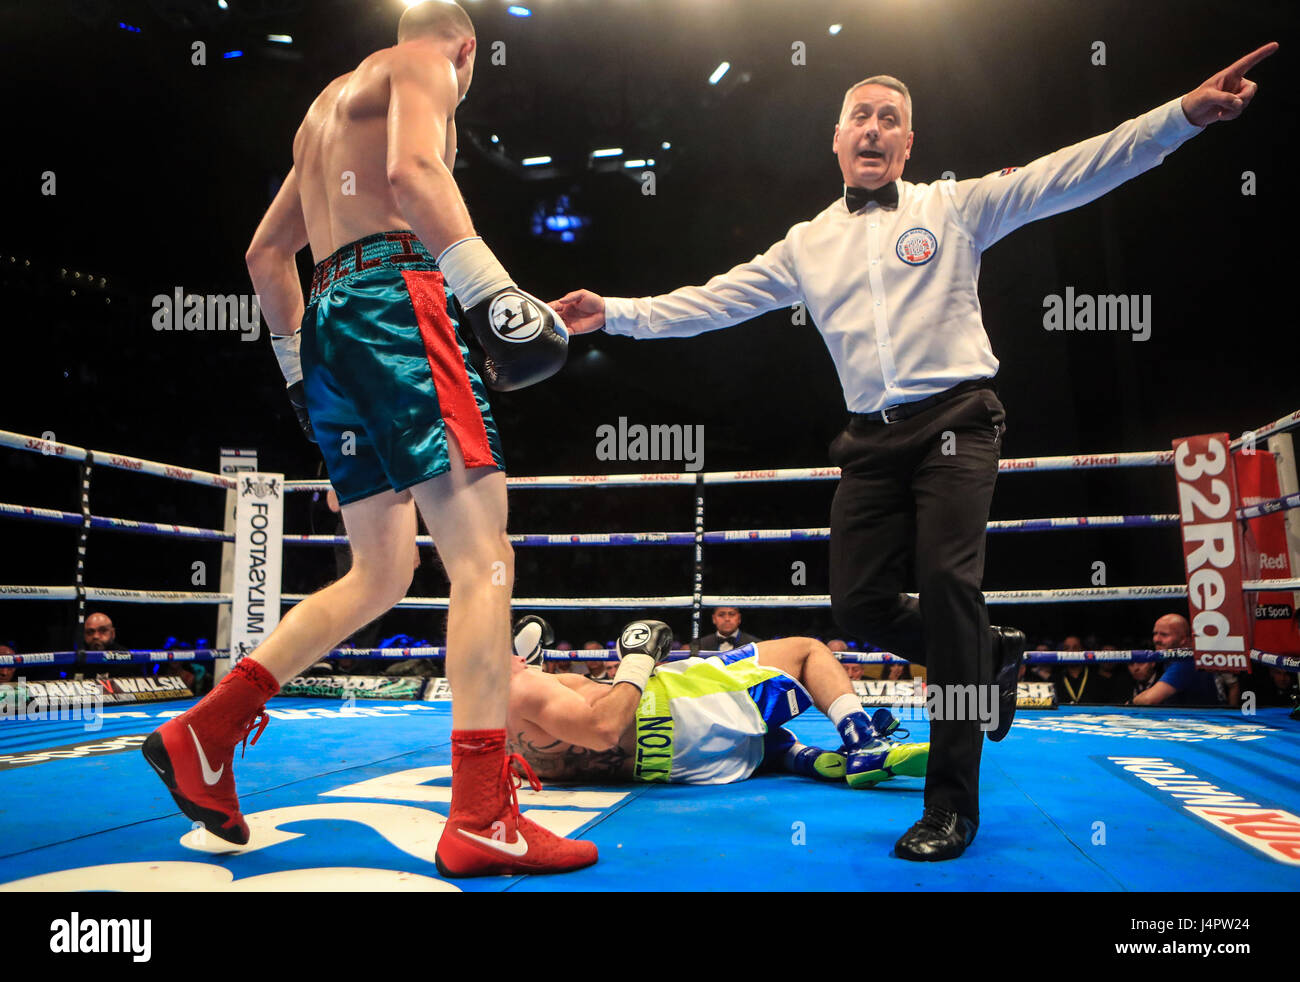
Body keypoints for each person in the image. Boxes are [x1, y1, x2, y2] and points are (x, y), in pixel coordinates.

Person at [552, 43, 1276, 859]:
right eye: (859, 116)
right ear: (835, 139)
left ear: (906, 144)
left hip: (959, 420)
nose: (872, 129)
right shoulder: (806, 243)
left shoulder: (953, 207)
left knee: (947, 586)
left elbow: (1072, 171)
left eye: (888, 119)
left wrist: (1180, 117)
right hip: (868, 440)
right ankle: (988, 653)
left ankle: (951, 808)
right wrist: (612, 312)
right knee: (857, 607)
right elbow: (711, 302)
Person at [142, 0, 589, 879]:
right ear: (469, 49)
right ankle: (483, 817)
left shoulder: (324, 110)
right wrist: (493, 296)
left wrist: (304, 376)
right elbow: (418, 171)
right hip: (396, 300)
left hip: (329, 326)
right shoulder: (426, 62)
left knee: (383, 572)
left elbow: (266, 257)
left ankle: (207, 730)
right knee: (483, 561)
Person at [509, 617, 928, 791]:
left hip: (683, 766)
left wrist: (534, 668)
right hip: (688, 705)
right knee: (808, 650)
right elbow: (602, 729)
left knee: (767, 744)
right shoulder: (517, 686)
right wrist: (637, 660)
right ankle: (864, 745)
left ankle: (805, 758)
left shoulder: (487, 737)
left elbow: (552, 737)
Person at [1132, 614, 1224, 707]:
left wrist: (1131, 702)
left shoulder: (1186, 662)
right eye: (1155, 633)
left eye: (1164, 635)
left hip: (1195, 719)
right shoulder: (1171, 658)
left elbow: (1148, 700)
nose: (1156, 639)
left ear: (1183, 639)